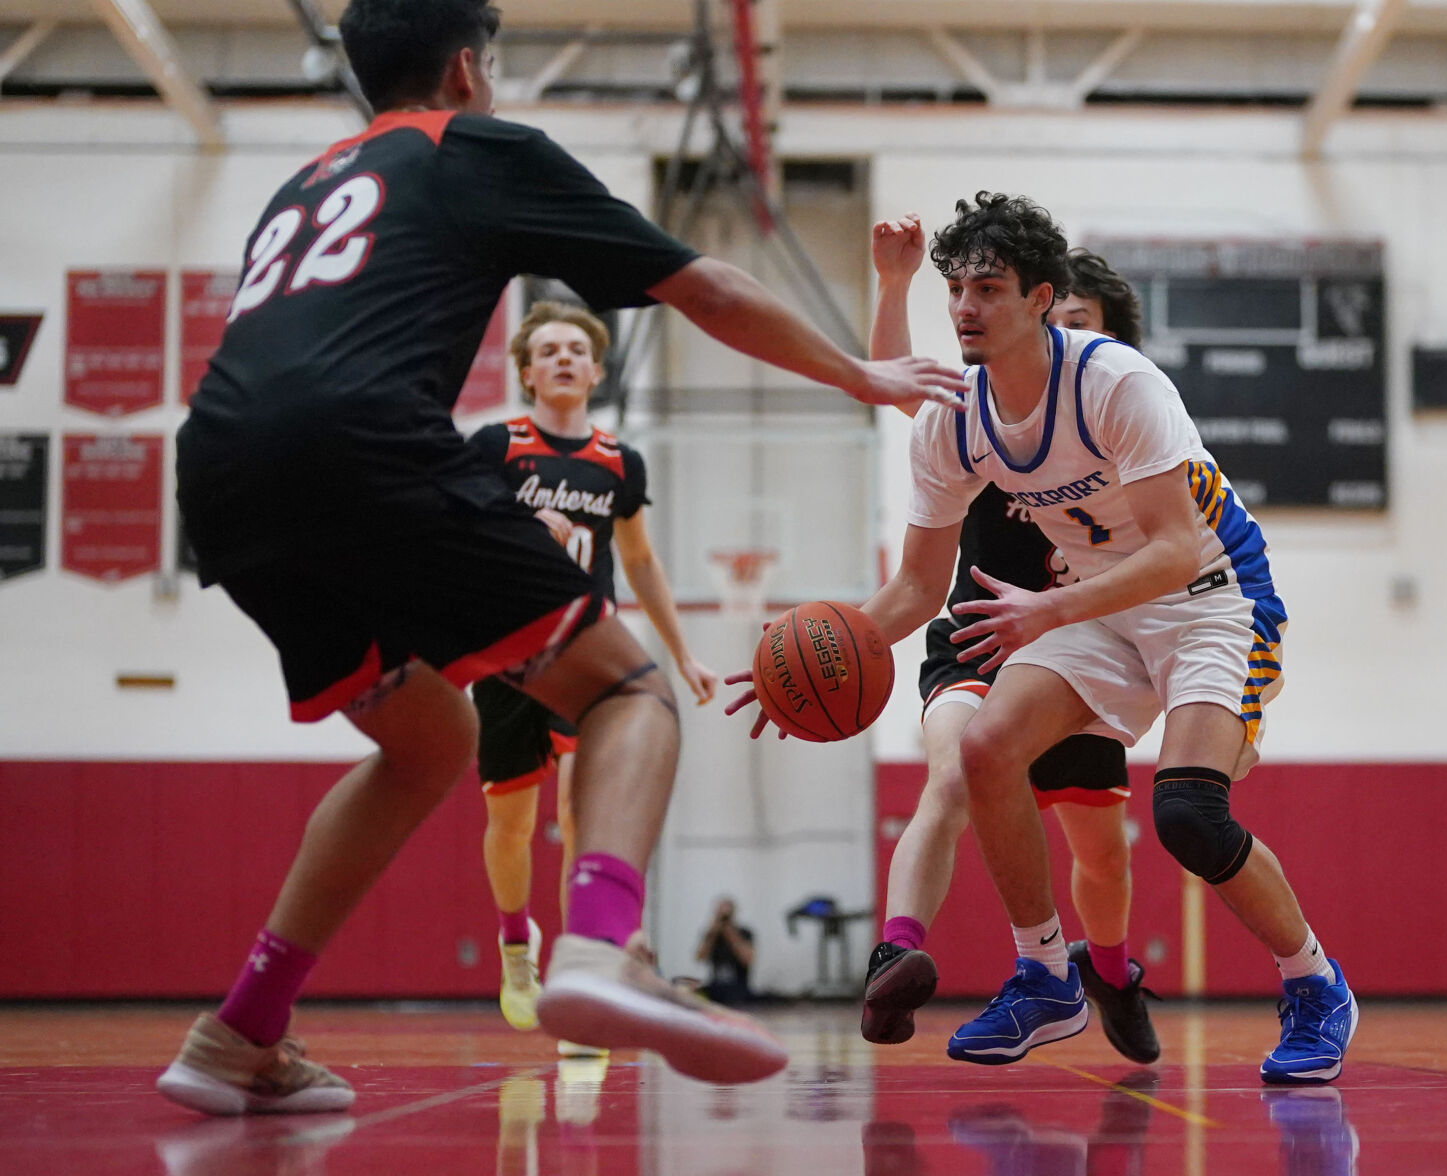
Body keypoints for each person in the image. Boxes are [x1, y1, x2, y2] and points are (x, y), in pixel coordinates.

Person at [157, 0, 965, 1115]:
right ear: (464, 68)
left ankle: (239, 1031)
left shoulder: (303, 187)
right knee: (630, 692)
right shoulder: (476, 146)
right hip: (362, 446)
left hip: (220, 478)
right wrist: (861, 376)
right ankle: (598, 942)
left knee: (423, 735)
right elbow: (705, 288)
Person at [733, 192, 1355, 1083]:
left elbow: (1177, 550)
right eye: (955, 289)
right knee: (984, 747)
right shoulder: (954, 417)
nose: (963, 308)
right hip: (1096, 606)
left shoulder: (1114, 381)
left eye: (986, 288)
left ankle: (1314, 985)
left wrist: (1048, 612)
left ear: (1038, 297)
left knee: (1186, 815)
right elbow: (916, 586)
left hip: (1213, 598)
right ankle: (1046, 975)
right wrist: (818, 652)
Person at [859, 222, 1159, 1066]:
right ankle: (897, 951)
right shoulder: (979, 411)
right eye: (1058, 312)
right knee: (951, 774)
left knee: (1099, 852)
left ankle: (1110, 972)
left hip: (1081, 644)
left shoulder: (1123, 412)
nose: (1065, 328)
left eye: (1081, 317)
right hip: (980, 639)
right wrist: (892, 285)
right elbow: (902, 391)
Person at [469, 301, 718, 1037]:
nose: (564, 359)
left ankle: (594, 962)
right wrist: (520, 525)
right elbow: (458, 526)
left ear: (596, 368)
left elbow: (637, 560)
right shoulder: (495, 446)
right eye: (547, 350)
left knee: (583, 813)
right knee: (511, 827)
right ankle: (518, 943)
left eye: (576, 348)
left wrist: (681, 653)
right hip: (511, 655)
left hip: (588, 652)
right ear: (525, 372)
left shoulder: (618, 461)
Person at [696, 897, 757, 1006]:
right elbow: (699, 957)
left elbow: (747, 959)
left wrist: (731, 933)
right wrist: (712, 933)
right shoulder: (712, 935)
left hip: (738, 988)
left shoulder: (744, 933)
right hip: (716, 987)